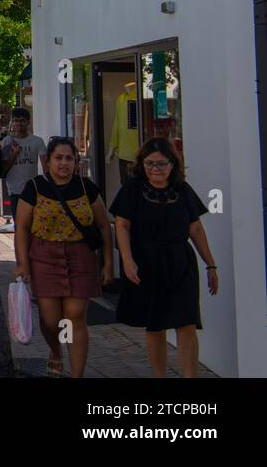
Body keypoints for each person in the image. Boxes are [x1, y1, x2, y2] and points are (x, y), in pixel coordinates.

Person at [111, 137, 218, 377]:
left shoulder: (182, 189)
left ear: (173, 164)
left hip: (180, 261)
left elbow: (196, 229)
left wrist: (211, 265)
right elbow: (122, 225)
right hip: (146, 261)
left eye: (161, 164)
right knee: (155, 325)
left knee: (186, 322)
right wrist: (127, 261)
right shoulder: (134, 188)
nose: (155, 169)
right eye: (150, 164)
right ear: (141, 164)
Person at [13, 136, 113, 378]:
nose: (64, 163)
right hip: (44, 257)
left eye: (69, 158)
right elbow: (22, 228)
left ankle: (77, 374)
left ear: (76, 162)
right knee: (50, 320)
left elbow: (103, 226)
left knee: (76, 316)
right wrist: (22, 264)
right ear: (48, 161)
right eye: (58, 158)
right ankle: (56, 351)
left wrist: (108, 263)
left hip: (81, 257)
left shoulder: (86, 188)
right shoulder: (35, 188)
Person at [0, 108, 44, 232]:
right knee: (19, 227)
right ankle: (21, 251)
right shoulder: (7, 141)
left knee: (34, 225)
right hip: (15, 190)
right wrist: (14, 154)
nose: (19, 123)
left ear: (28, 122)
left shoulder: (37, 141)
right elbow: (3, 169)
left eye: (22, 121)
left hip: (33, 190)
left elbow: (46, 167)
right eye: (16, 120)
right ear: (12, 122)